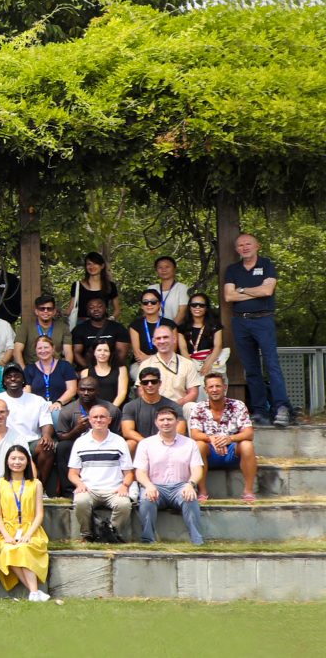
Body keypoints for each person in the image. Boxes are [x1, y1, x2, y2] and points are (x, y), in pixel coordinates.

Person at [222, 232, 289, 426]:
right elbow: (229, 296)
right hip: (241, 322)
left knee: (272, 365)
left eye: (248, 244)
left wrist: (241, 290)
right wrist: (254, 292)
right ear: (236, 249)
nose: (244, 247)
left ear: (257, 245)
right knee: (251, 369)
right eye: (240, 245)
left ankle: (281, 407)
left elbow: (267, 291)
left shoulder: (266, 264)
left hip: (263, 320)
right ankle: (260, 410)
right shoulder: (233, 269)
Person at [136, 408, 208, 545]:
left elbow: (197, 469)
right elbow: (140, 472)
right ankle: (147, 540)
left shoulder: (190, 443)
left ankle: (197, 541)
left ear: (177, 422)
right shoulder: (145, 444)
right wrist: (149, 486)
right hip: (155, 486)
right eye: (162, 420)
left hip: (181, 486)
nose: (166, 423)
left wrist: (190, 484)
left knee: (190, 497)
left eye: (169, 419)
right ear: (156, 423)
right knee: (146, 497)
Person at [186, 372, 260, 503]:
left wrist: (229, 439)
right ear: (205, 390)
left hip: (232, 451)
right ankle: (202, 492)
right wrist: (211, 439)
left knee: (247, 445)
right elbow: (195, 434)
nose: (214, 390)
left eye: (218, 386)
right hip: (210, 453)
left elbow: (249, 433)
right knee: (198, 445)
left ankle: (248, 491)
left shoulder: (238, 405)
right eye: (211, 387)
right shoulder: (198, 408)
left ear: (225, 387)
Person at [0, 445, 51, 601]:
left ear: (27, 462)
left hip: (30, 529)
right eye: (13, 458)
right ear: (7, 461)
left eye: (21, 458)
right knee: (7, 550)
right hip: (7, 530)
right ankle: (34, 592)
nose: (17, 462)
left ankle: (34, 593)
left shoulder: (35, 484)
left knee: (23, 548)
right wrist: (5, 535)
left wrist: (28, 534)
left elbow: (39, 514)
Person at [69, 403, 136, 542]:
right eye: (95, 417)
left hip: (114, 489)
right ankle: (87, 535)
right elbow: (72, 473)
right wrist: (79, 484)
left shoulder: (119, 441)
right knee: (81, 501)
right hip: (89, 489)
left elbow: (129, 473)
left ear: (109, 420)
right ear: (90, 420)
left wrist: (124, 486)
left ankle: (111, 533)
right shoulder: (80, 442)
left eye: (102, 417)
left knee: (124, 504)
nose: (99, 420)